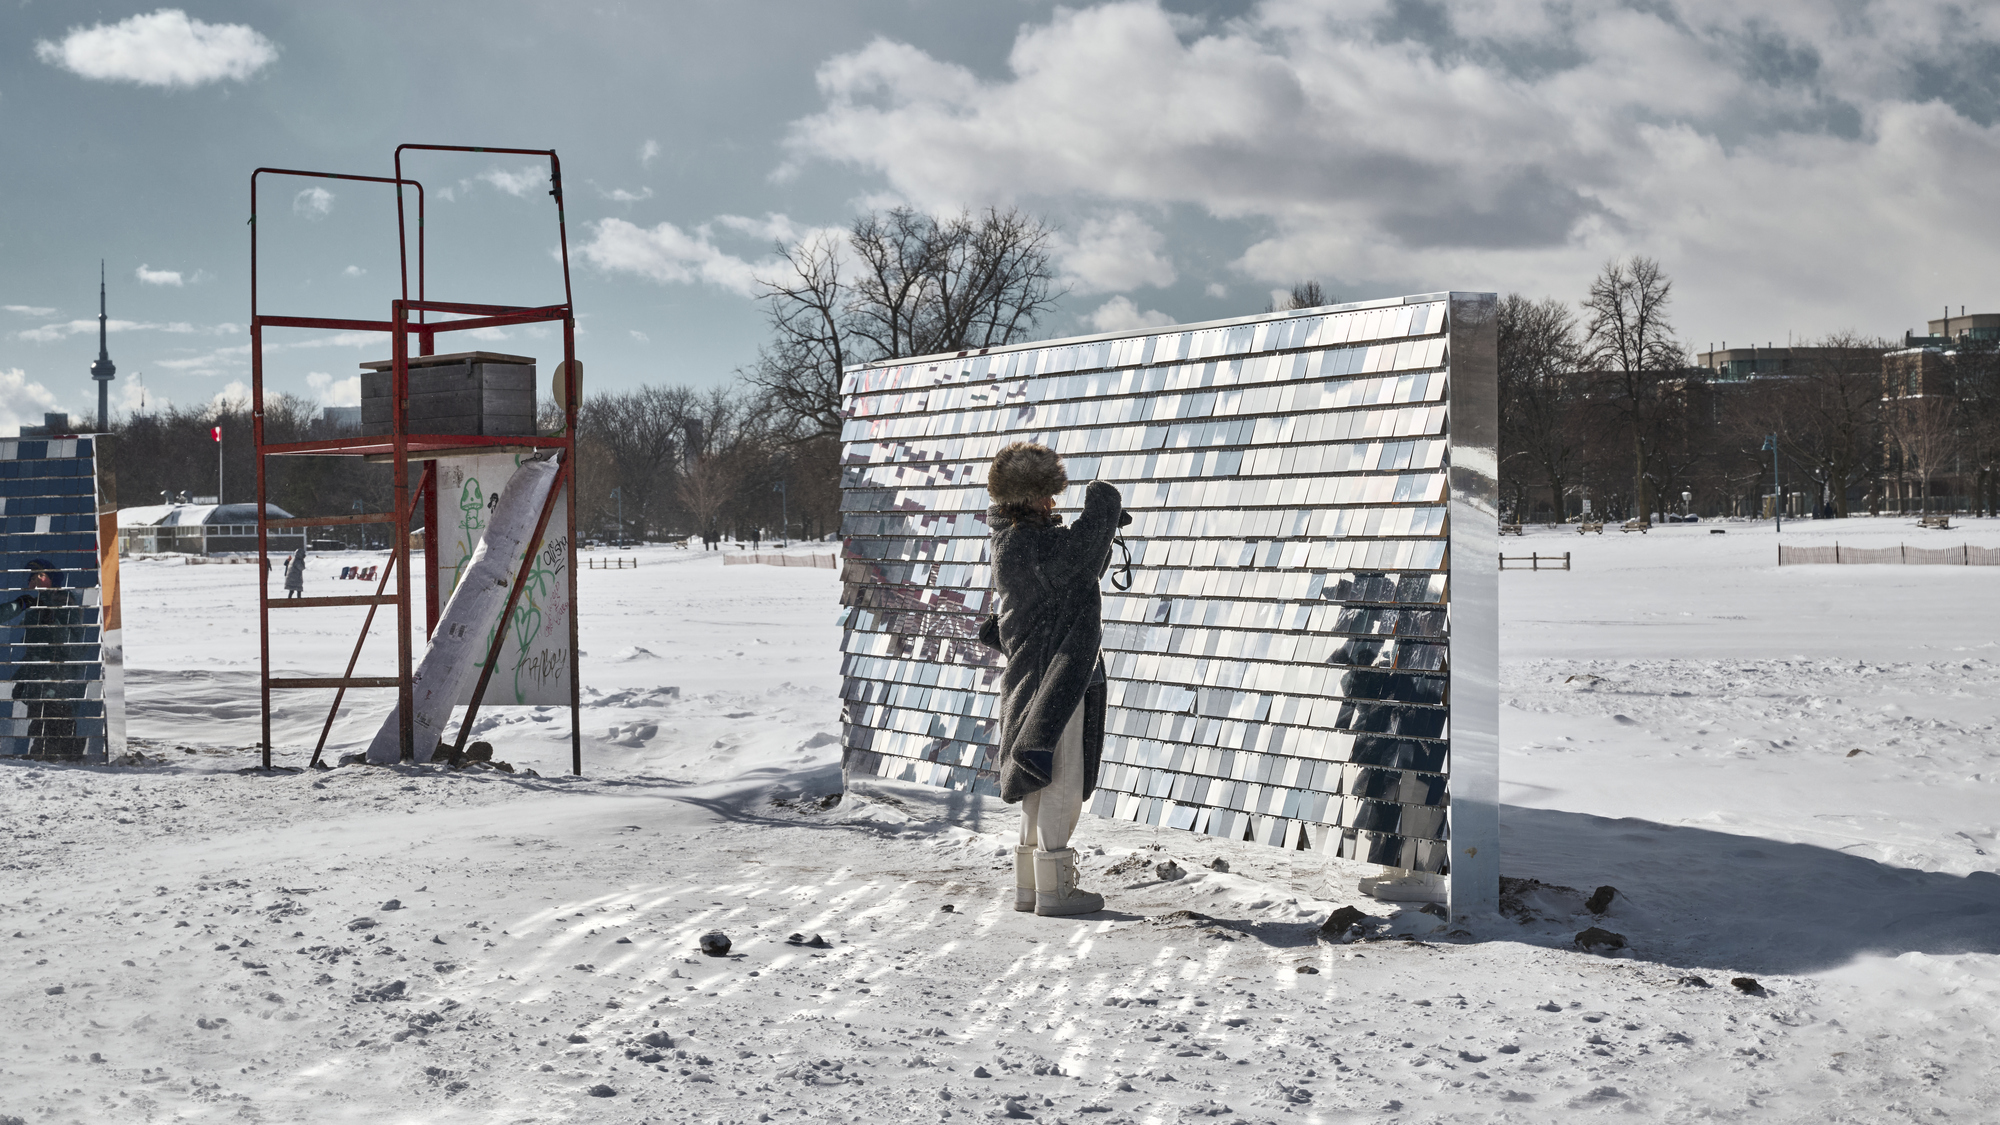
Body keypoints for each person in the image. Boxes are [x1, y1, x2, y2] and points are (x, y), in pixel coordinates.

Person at [980, 441, 1127, 917]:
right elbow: (1076, 556)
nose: (1052, 503)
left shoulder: (1014, 541)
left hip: (1035, 670)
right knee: (1061, 776)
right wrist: (1103, 501)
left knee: (1036, 779)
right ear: (1030, 497)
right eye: (1046, 495)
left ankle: (1029, 887)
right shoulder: (1030, 543)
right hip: (1056, 673)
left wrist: (1100, 539)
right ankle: (1056, 890)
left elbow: (1077, 568)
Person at [4, 559, 85, 759]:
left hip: (57, 679)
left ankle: (62, 757)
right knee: (39, 718)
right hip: (37, 677)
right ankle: (45, 756)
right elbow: (31, 649)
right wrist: (24, 676)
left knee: (56, 718)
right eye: (33, 576)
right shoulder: (34, 606)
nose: (35, 580)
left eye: (41, 575)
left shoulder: (65, 602)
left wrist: (54, 624)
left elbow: (74, 646)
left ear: (53, 579)